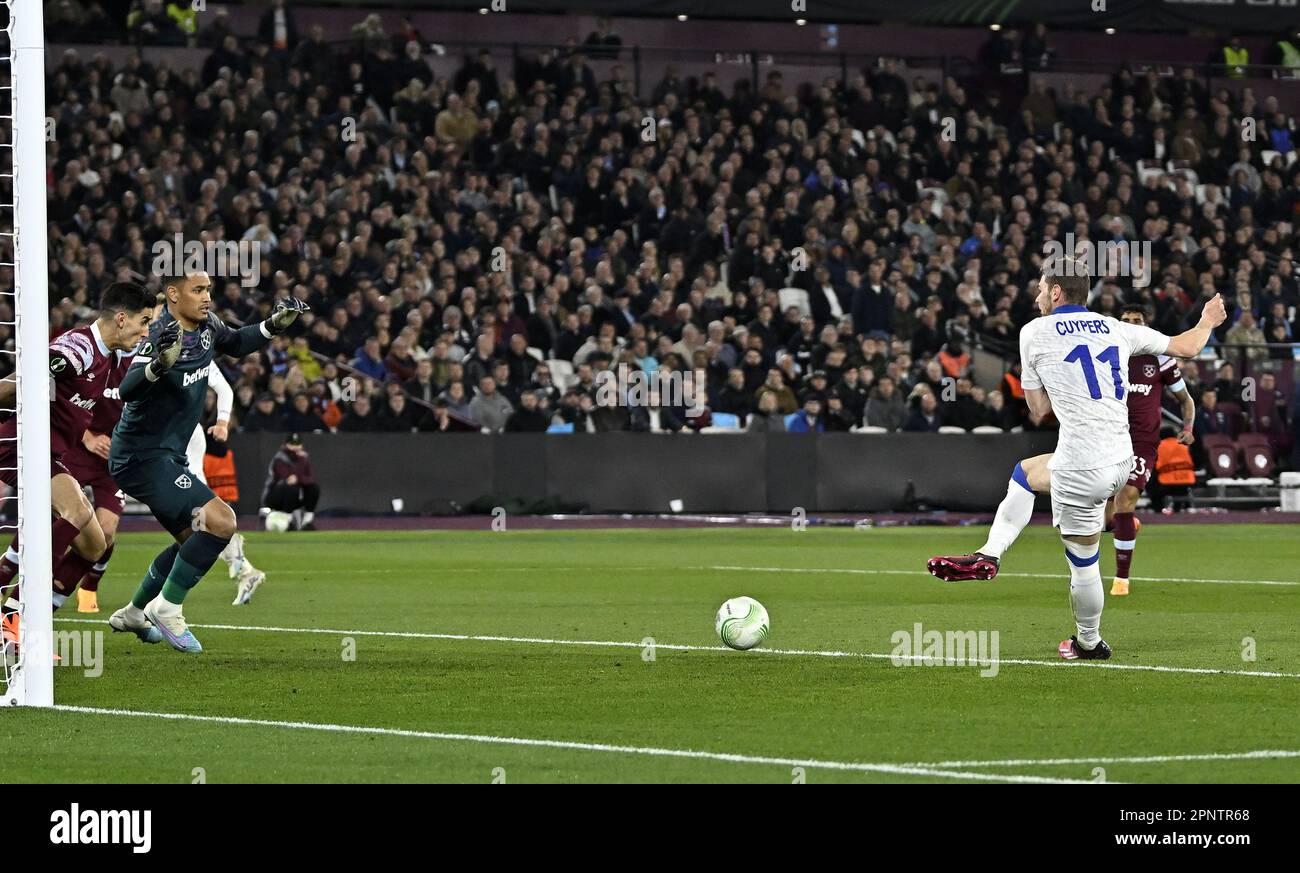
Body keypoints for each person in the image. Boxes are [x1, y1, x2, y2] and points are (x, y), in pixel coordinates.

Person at [926, 257, 1225, 661]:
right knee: (1034, 480)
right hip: (1123, 458)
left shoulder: (1033, 332)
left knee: (1072, 548)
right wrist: (1207, 318)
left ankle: (999, 562)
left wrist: (1057, 385)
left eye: (1039, 288)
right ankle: (1079, 634)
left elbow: (1036, 409)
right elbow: (1188, 346)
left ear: (1055, 292)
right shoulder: (1118, 328)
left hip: (1081, 466)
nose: (1035, 296)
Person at [106, 272, 307, 653]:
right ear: (172, 294)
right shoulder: (159, 333)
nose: (206, 297)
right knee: (221, 522)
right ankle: (167, 607)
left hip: (167, 455)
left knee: (192, 541)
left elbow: (235, 341)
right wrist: (156, 367)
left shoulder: (207, 325)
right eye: (198, 290)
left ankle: (134, 613)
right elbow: (129, 389)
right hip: (141, 457)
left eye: (208, 290)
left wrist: (271, 326)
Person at [0, 282, 156, 629]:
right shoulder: (79, 347)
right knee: (75, 509)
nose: (146, 331)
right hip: (20, 446)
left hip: (50, 453)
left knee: (94, 545)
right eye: (143, 322)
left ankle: (14, 599)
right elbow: (28, 374)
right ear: (120, 319)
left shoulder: (112, 355)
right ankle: (13, 618)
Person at [184, 362, 267, 606]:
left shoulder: (163, 346)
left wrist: (222, 422)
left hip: (181, 435)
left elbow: (225, 390)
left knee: (194, 524)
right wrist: (221, 422)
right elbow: (225, 389)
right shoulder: (195, 346)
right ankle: (243, 566)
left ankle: (238, 557)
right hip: (184, 432)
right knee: (193, 526)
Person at [261, 433, 320, 532]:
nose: (295, 447)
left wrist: (298, 477)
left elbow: (310, 478)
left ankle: (306, 522)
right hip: (274, 496)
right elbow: (287, 479)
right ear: (285, 445)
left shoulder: (303, 458)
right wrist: (299, 476)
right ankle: (287, 522)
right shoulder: (280, 458)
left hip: (294, 497)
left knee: (313, 488)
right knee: (292, 489)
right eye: (292, 444)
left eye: (297, 444)